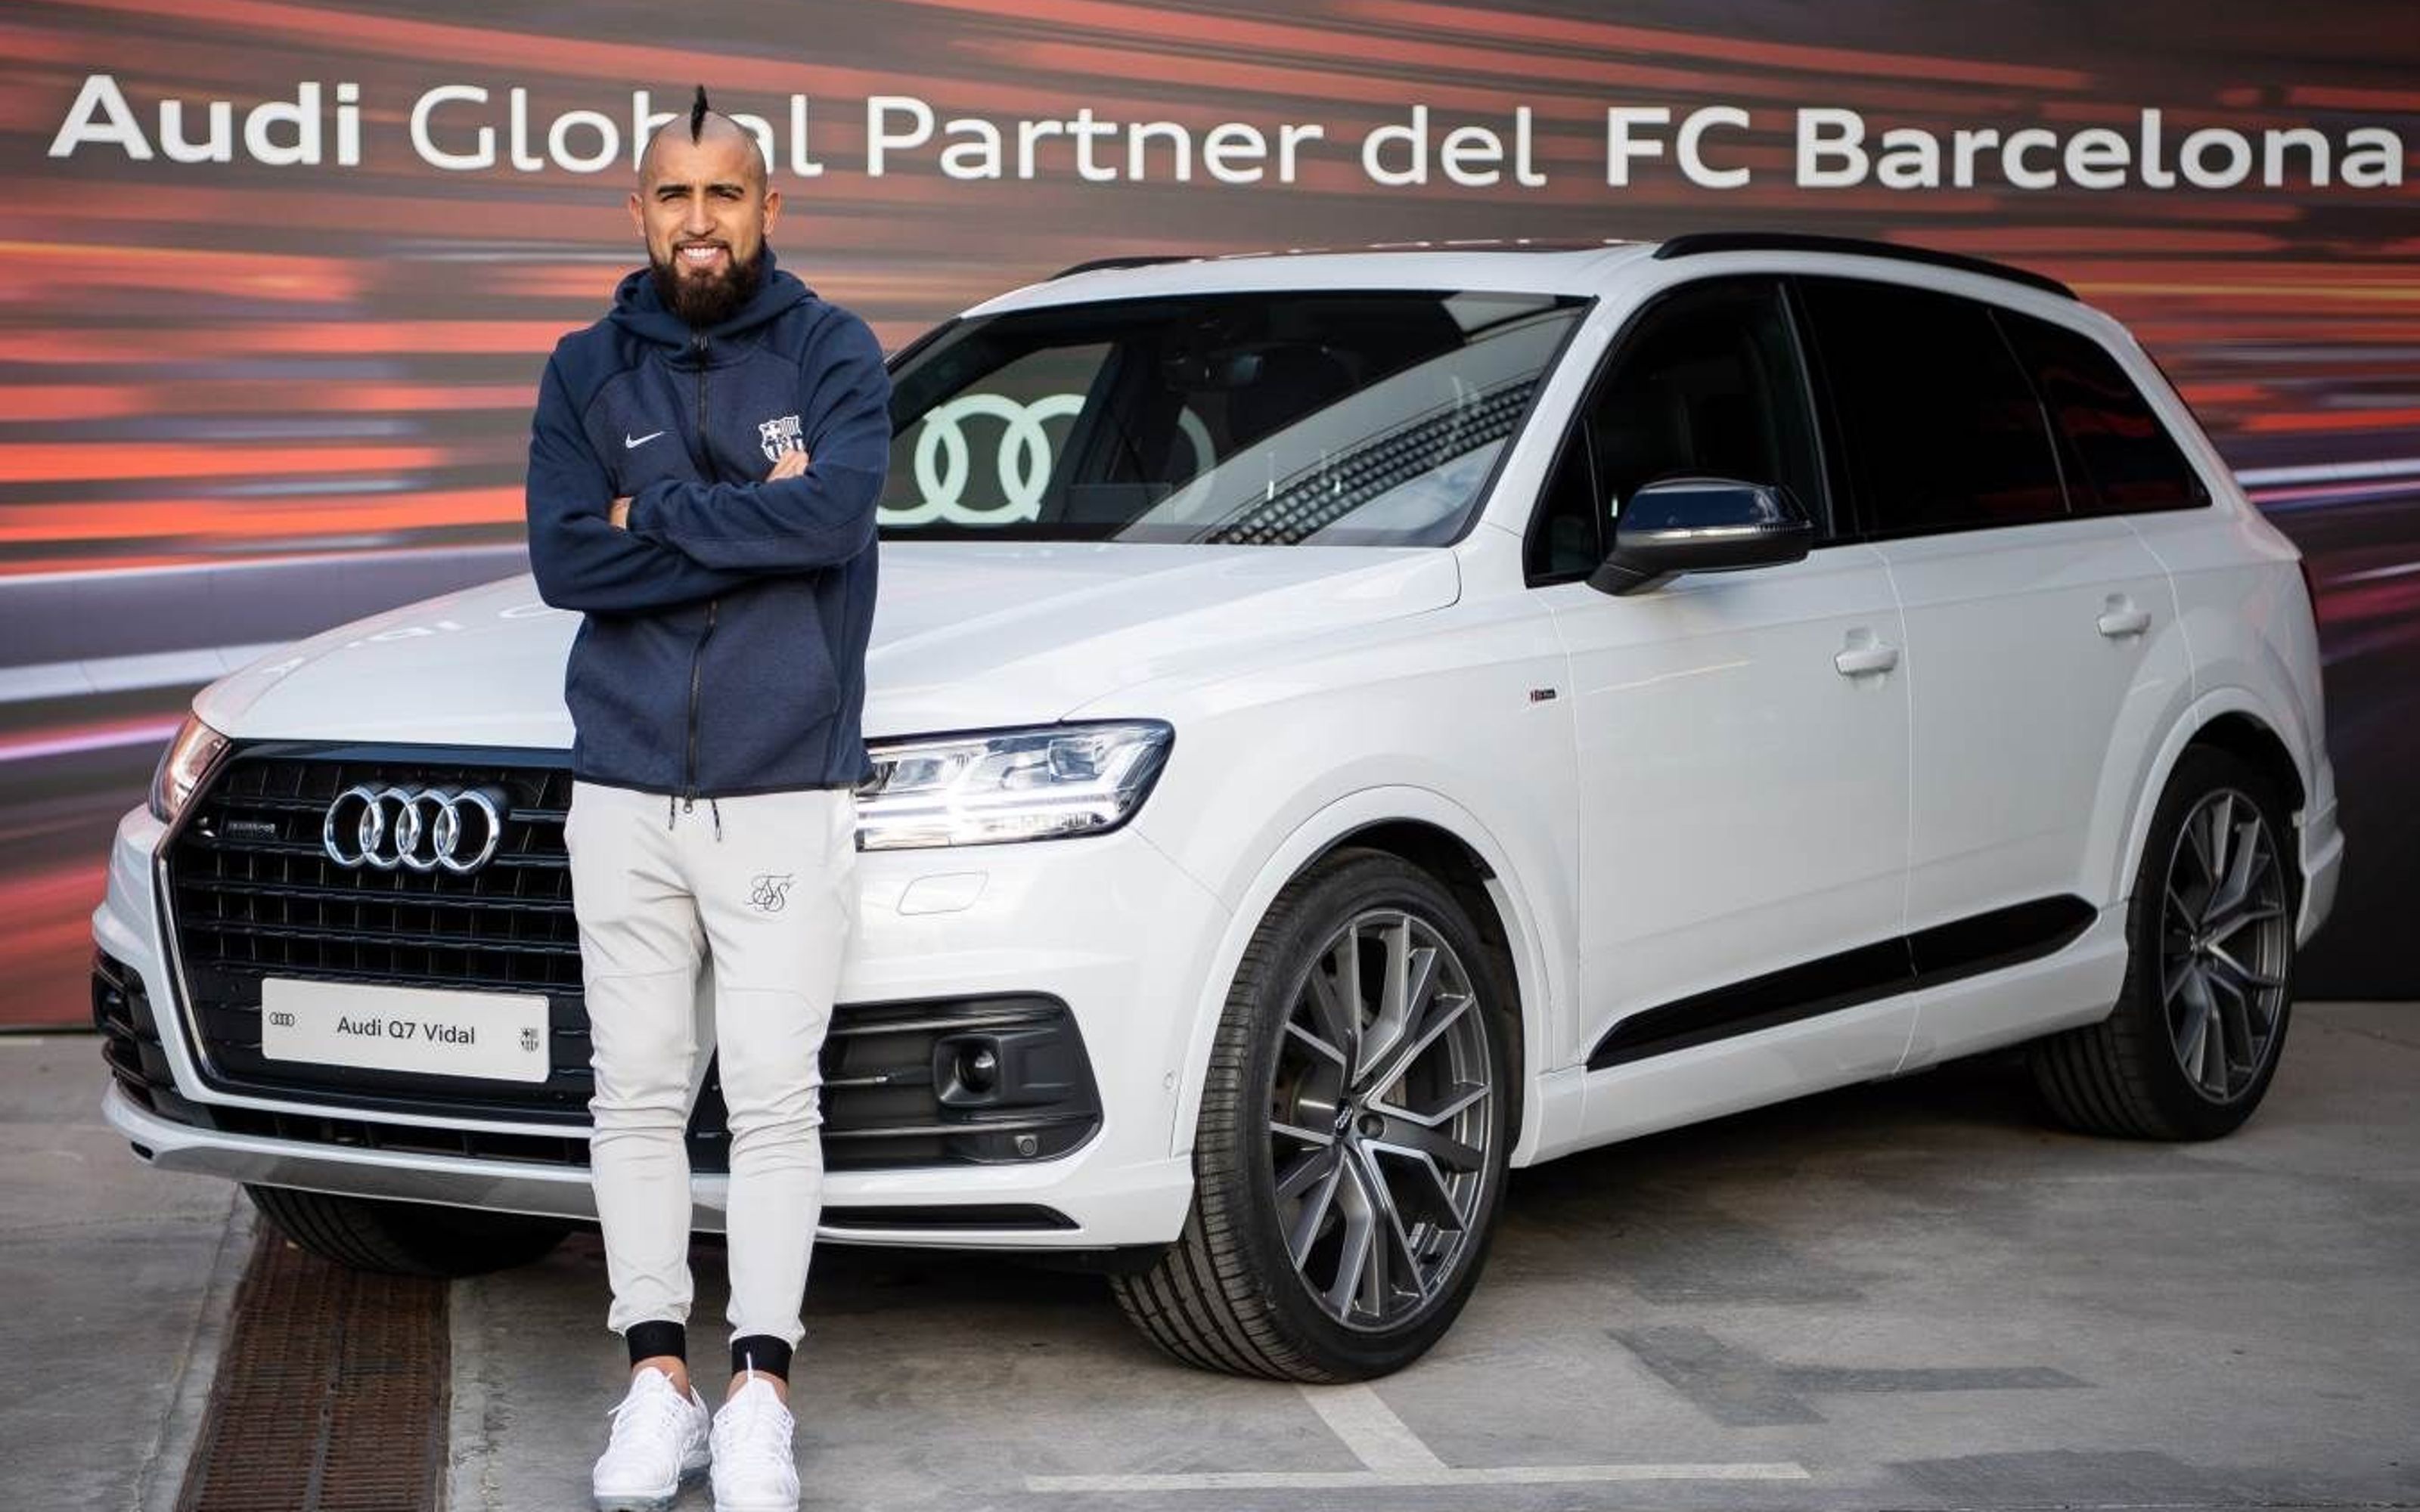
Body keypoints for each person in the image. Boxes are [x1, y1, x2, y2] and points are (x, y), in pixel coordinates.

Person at [522, 84, 892, 1512]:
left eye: (724, 194)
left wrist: (655, 517)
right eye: (672, 195)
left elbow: (832, 520)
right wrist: (750, 527)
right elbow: (568, 564)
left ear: (769, 208)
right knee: (637, 1096)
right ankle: (656, 1382)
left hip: (784, 785)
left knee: (778, 1103)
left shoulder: (832, 350)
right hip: (621, 788)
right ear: (637, 210)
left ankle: (760, 1394)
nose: (699, 220)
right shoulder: (580, 368)